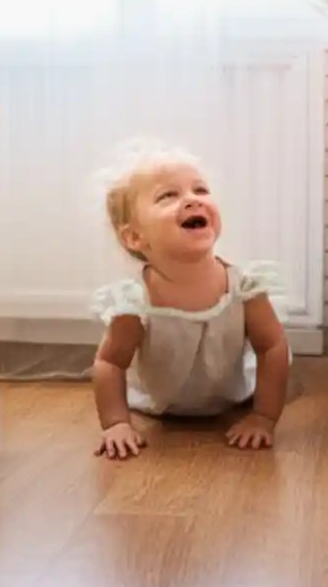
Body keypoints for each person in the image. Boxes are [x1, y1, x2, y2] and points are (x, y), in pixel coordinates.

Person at [90, 140, 292, 460]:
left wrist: (263, 417)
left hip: (233, 399)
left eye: (200, 190)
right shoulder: (135, 300)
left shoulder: (244, 287)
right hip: (158, 407)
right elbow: (110, 362)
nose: (191, 200)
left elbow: (273, 347)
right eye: (168, 195)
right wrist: (116, 423)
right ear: (134, 237)